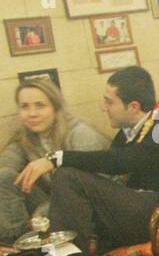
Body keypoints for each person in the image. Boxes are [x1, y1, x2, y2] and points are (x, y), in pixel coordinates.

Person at [12, 68, 159, 253]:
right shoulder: (125, 135)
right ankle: (51, 252)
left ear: (133, 107)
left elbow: (126, 160)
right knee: (53, 178)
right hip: (137, 210)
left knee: (68, 175)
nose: (103, 107)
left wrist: (57, 158)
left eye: (109, 102)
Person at [1, 78, 108, 242]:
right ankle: (18, 245)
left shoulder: (80, 134)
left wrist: (46, 208)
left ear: (56, 108)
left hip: (89, 207)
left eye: (40, 105)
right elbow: (6, 168)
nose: (32, 113)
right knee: (5, 177)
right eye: (25, 107)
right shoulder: (26, 137)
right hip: (51, 206)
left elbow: (96, 187)